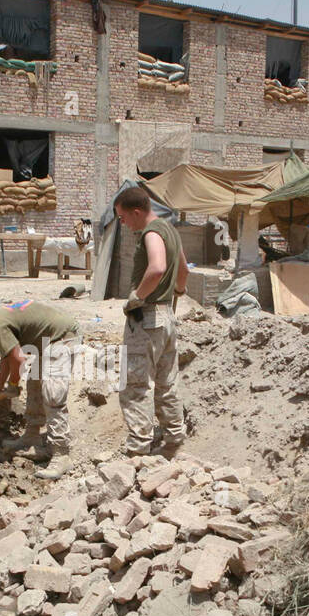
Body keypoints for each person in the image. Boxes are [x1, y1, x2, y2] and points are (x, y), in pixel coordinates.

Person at [0, 300, 78, 477]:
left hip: (63, 337)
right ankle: (32, 435)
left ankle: (61, 454)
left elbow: (19, 360)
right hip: (48, 341)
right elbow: (8, 358)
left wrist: (13, 385)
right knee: (34, 385)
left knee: (53, 394)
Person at [111, 186, 188, 457]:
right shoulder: (171, 231)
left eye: (122, 218)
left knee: (135, 386)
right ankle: (174, 439)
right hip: (166, 317)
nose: (123, 223)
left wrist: (136, 297)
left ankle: (138, 450)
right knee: (167, 382)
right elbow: (184, 270)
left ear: (136, 212)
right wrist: (177, 292)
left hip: (147, 318)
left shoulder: (152, 232)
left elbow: (157, 267)